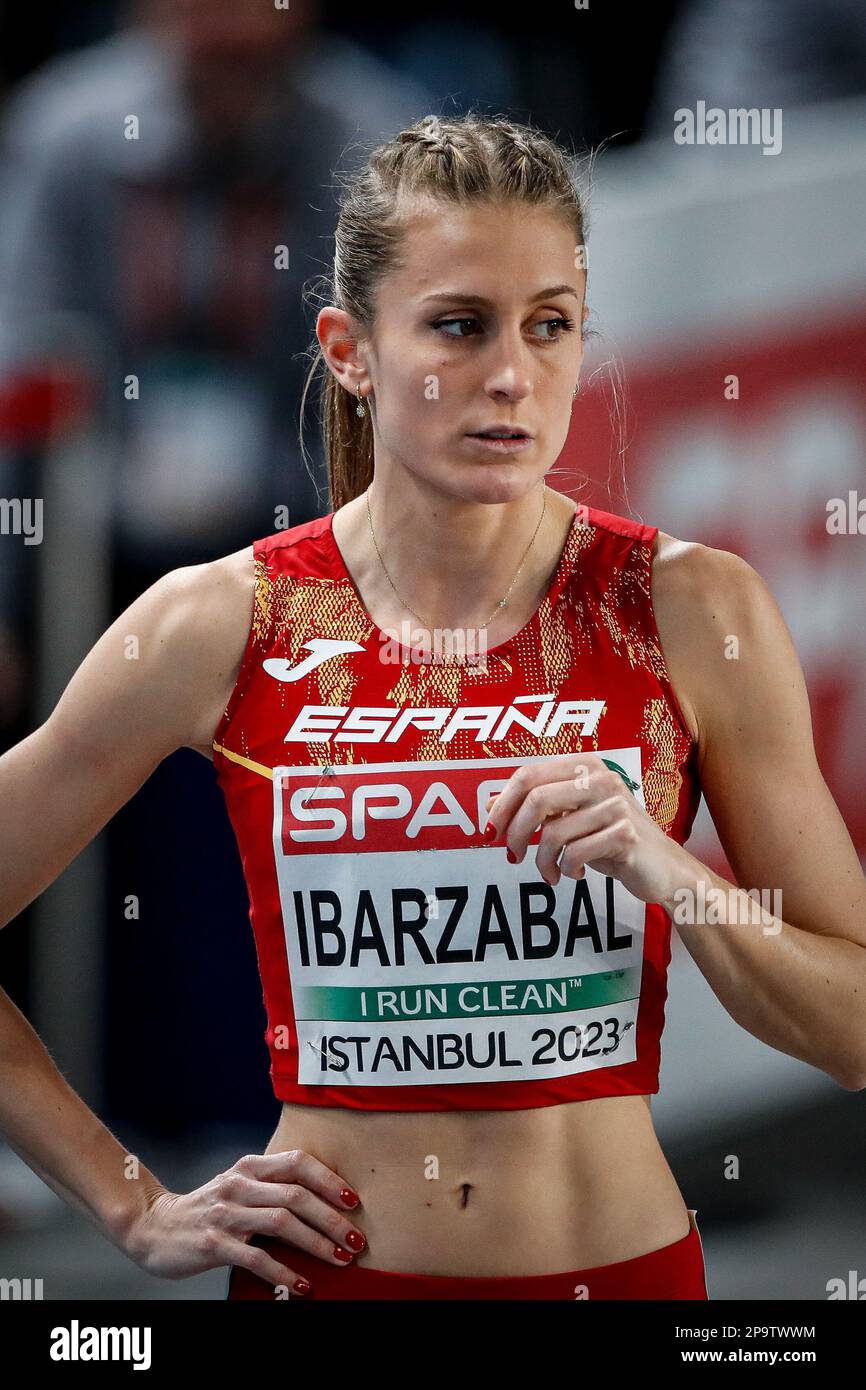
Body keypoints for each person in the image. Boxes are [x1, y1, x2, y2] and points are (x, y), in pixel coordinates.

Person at [2, 111, 865, 1302]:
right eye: (458, 326)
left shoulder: (687, 607)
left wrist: (669, 870)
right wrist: (132, 1203)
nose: (510, 374)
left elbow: (853, 1026)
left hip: (615, 1274)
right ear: (349, 349)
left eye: (548, 325)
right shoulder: (220, 620)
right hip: (333, 1278)